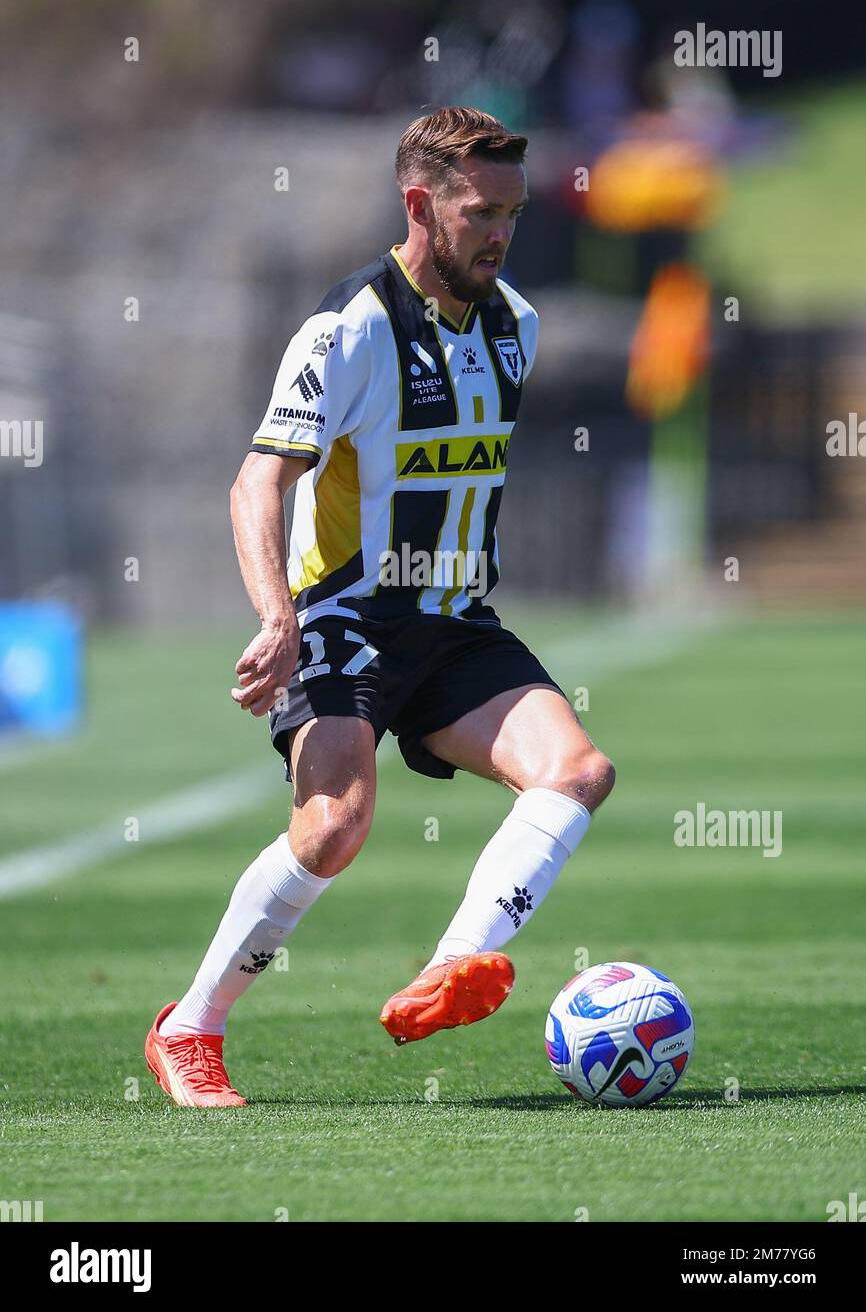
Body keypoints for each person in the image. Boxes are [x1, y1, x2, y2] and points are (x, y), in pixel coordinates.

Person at [145, 106, 615, 1107]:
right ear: (419, 204)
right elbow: (257, 482)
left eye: (513, 213)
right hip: (346, 617)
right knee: (334, 828)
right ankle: (190, 1027)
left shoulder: (515, 325)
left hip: (454, 623)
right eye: (481, 212)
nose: (501, 233)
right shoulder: (349, 328)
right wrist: (278, 618)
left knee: (577, 772)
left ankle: (452, 966)